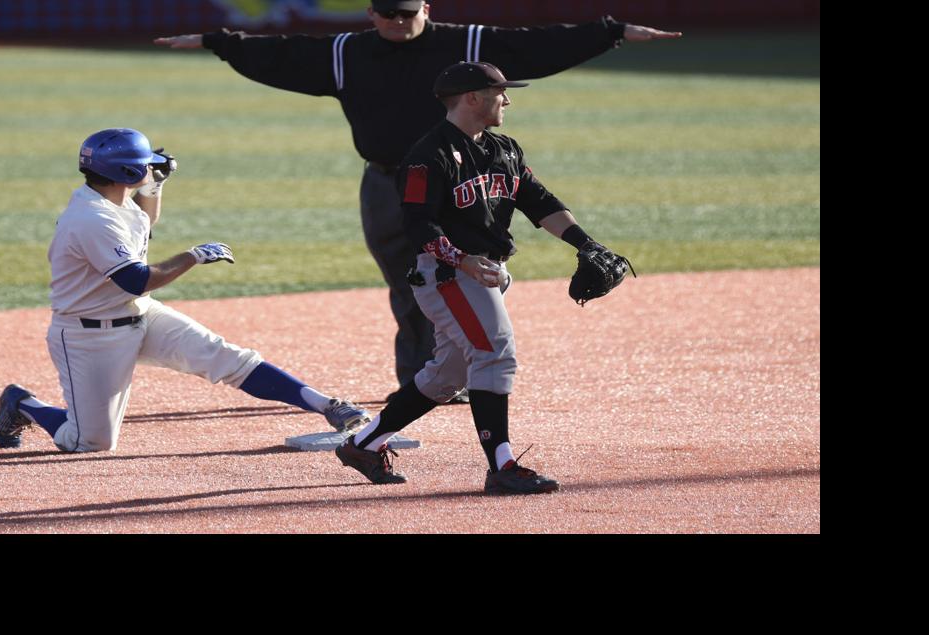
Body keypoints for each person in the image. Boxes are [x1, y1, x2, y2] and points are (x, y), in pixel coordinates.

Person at [155, 1, 678, 403]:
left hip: (461, 182)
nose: (396, 20)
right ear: (371, 13)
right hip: (387, 184)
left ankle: (464, 375)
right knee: (412, 284)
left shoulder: (466, 42)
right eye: (385, 12)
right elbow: (283, 55)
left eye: (407, 11)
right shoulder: (348, 53)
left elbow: (535, 46)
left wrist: (610, 31)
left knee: (472, 276)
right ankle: (423, 382)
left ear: (427, 8)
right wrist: (215, 41)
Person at [334, 61, 628, 494]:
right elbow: (417, 225)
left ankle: (363, 443)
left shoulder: (503, 148)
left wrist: (585, 244)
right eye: (499, 93)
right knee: (495, 354)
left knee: (446, 375)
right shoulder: (427, 156)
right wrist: (461, 259)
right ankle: (502, 466)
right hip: (448, 275)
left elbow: (538, 201)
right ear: (472, 98)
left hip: (482, 272)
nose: (506, 99)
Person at [0, 127, 371, 453]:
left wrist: (153, 185)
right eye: (145, 162)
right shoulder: (92, 219)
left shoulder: (111, 199)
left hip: (140, 313)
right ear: (126, 170)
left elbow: (144, 224)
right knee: (88, 442)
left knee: (229, 359)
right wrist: (193, 256)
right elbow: (137, 277)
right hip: (89, 335)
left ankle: (329, 405)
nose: (153, 163)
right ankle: (23, 403)